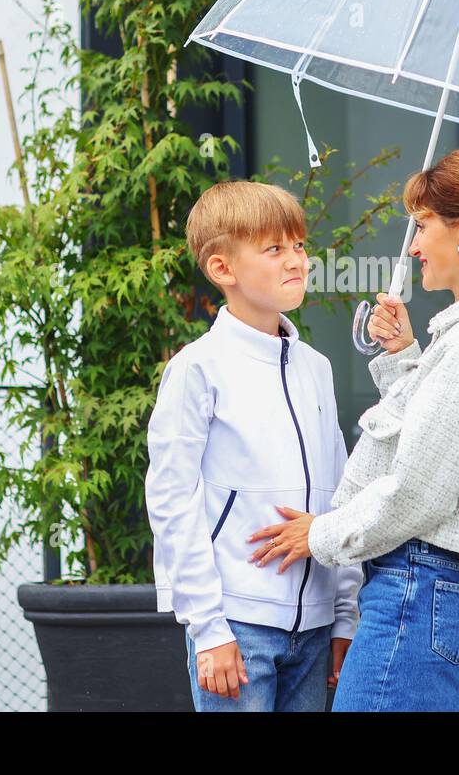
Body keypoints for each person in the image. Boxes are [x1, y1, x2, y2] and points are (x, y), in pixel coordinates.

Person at [247, 141, 459, 711]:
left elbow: (419, 493)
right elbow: (441, 439)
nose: (416, 244)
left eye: (423, 225)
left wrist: (319, 535)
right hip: (436, 597)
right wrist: (403, 356)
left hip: (416, 595)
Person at [144, 179, 362, 711]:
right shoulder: (197, 368)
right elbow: (172, 500)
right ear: (223, 269)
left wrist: (344, 613)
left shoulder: (317, 368)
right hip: (236, 627)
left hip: (314, 628)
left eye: (300, 246)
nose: (296, 260)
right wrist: (208, 627)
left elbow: (343, 491)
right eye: (274, 249)